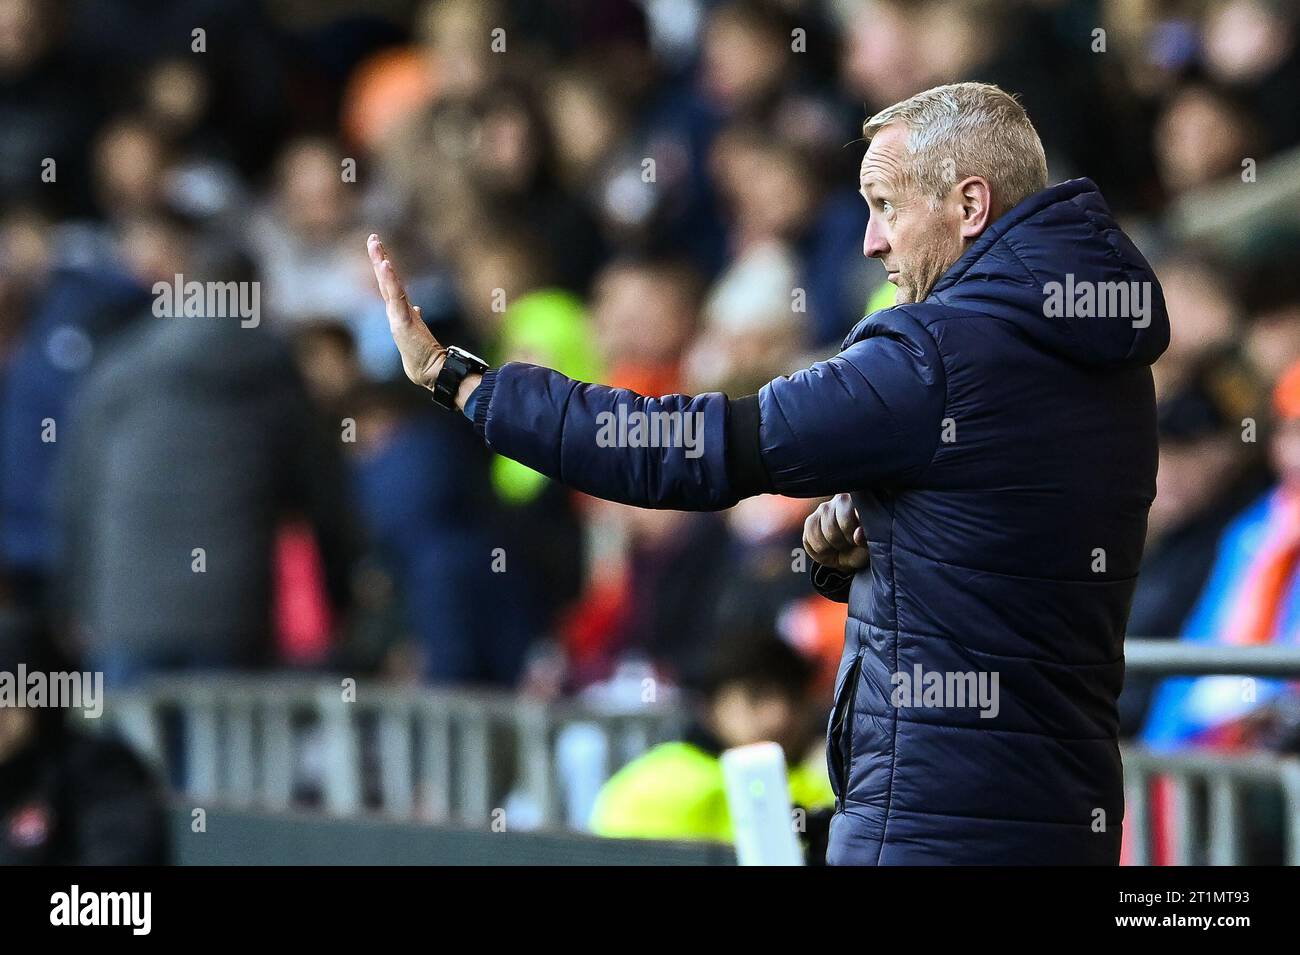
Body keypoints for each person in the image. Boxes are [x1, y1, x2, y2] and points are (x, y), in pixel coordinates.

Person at [369, 82, 1170, 864]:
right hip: (1067, 815)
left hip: (932, 823)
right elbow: (1004, 557)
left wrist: (467, 384)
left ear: (968, 206)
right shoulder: (1107, 359)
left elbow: (686, 448)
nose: (869, 241)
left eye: (887, 206)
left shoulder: (931, 356)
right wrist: (875, 548)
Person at [588, 628, 832, 848]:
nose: (780, 716)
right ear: (712, 705)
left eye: (794, 698)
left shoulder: (824, 785)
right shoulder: (654, 785)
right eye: (756, 696)